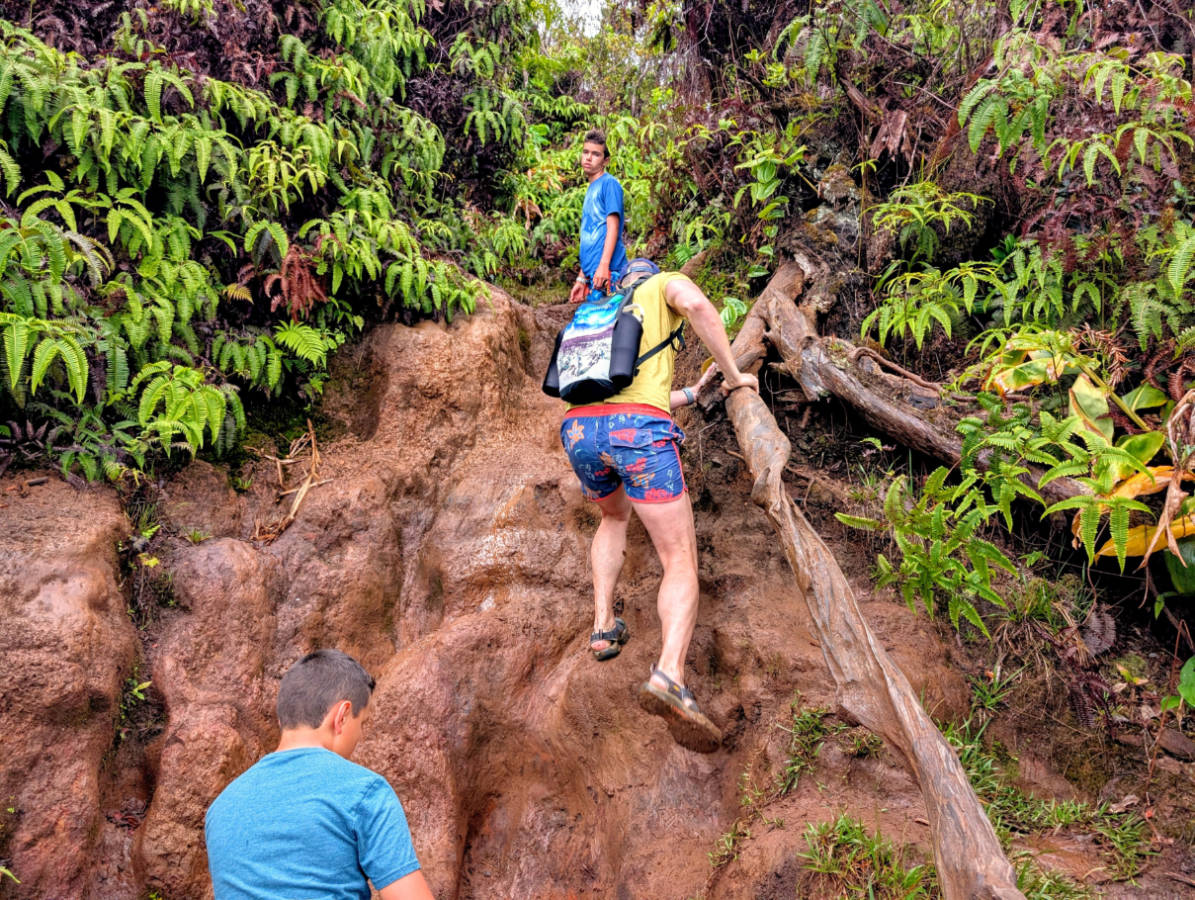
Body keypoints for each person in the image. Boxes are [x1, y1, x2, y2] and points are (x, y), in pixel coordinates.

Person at [559, 261, 759, 753]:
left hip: (580, 432)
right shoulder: (661, 288)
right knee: (678, 559)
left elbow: (624, 390)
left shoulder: (599, 310)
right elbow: (696, 304)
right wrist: (734, 376)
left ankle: (604, 626)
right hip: (639, 436)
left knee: (612, 515)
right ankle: (669, 674)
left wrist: (691, 394)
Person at [205, 649, 434, 900]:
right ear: (342, 716)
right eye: (362, 723)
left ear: (284, 719)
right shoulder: (364, 791)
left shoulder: (221, 809)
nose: (360, 736)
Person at [568, 129, 630, 305]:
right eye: (586, 152)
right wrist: (582, 278)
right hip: (594, 276)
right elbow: (592, 236)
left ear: (606, 160)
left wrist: (603, 267)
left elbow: (612, 228)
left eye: (596, 154)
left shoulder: (609, 184)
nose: (588, 157)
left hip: (609, 274)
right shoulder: (591, 188)